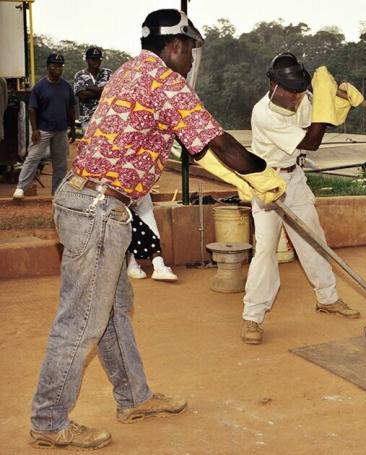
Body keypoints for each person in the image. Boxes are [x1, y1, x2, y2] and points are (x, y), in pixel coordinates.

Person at [29, 9, 285, 451]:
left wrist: (238, 175)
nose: (190, 62)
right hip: (97, 207)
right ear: (175, 46)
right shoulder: (166, 81)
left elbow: (195, 146)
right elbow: (217, 142)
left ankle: (134, 398)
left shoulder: (132, 71)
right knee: (82, 320)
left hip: (94, 202)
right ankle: (49, 420)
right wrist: (261, 174)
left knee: (111, 313)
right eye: (190, 52)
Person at [240, 52, 363, 345]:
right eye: (290, 92)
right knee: (266, 250)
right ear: (272, 85)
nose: (296, 98)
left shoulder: (299, 99)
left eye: (300, 91)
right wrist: (322, 107)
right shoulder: (264, 113)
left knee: (312, 238)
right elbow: (312, 141)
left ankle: (327, 298)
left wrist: (334, 96)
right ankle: (252, 317)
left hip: (294, 177)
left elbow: (321, 120)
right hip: (267, 182)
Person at [13, 53, 76, 200]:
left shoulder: (66, 87)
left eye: (60, 66)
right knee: (33, 158)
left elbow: (71, 109)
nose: (58, 69)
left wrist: (72, 128)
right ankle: (21, 188)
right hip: (43, 130)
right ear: (48, 67)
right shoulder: (40, 87)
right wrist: (34, 129)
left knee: (60, 163)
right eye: (55, 65)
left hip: (61, 130)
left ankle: (57, 192)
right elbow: (32, 109)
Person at [126, 193, 177, 281]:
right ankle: (131, 261)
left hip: (139, 190)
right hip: (112, 193)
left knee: (150, 224)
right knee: (127, 219)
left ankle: (159, 265)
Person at [73, 47, 112, 134]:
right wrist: (102, 91)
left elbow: (111, 91)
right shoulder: (80, 75)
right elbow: (83, 96)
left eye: (99, 59)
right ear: (87, 60)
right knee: (89, 145)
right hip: (87, 119)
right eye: (93, 59)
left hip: (105, 117)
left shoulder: (107, 73)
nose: (97, 61)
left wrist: (88, 87)